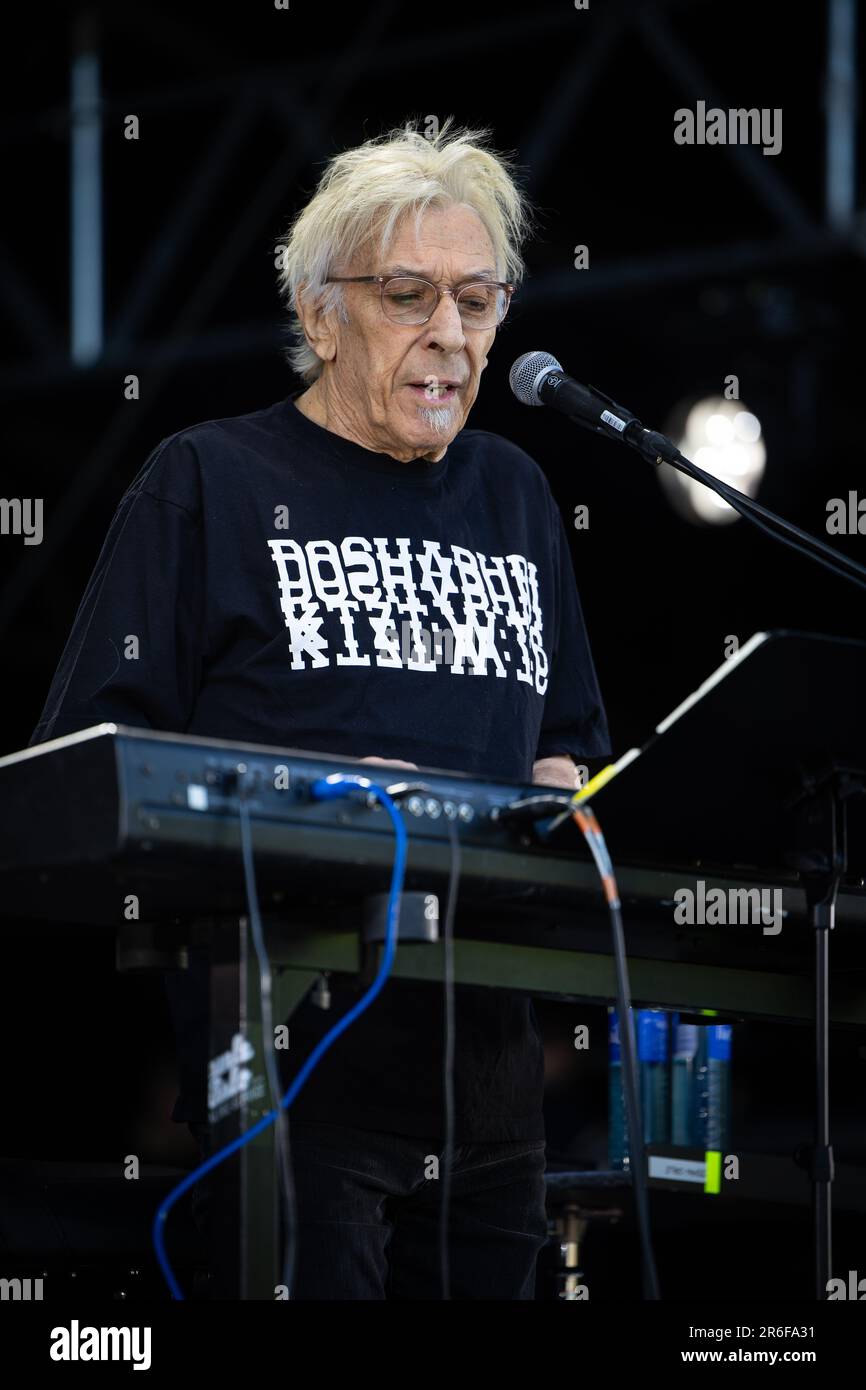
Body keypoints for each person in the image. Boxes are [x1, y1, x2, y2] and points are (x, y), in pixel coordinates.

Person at [30, 118, 611, 1300]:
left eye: (478, 299)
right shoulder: (208, 479)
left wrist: (565, 814)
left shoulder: (515, 492)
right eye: (407, 296)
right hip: (293, 1055)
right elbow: (87, 762)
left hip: (490, 1080)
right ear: (317, 314)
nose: (451, 335)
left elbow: (566, 749)